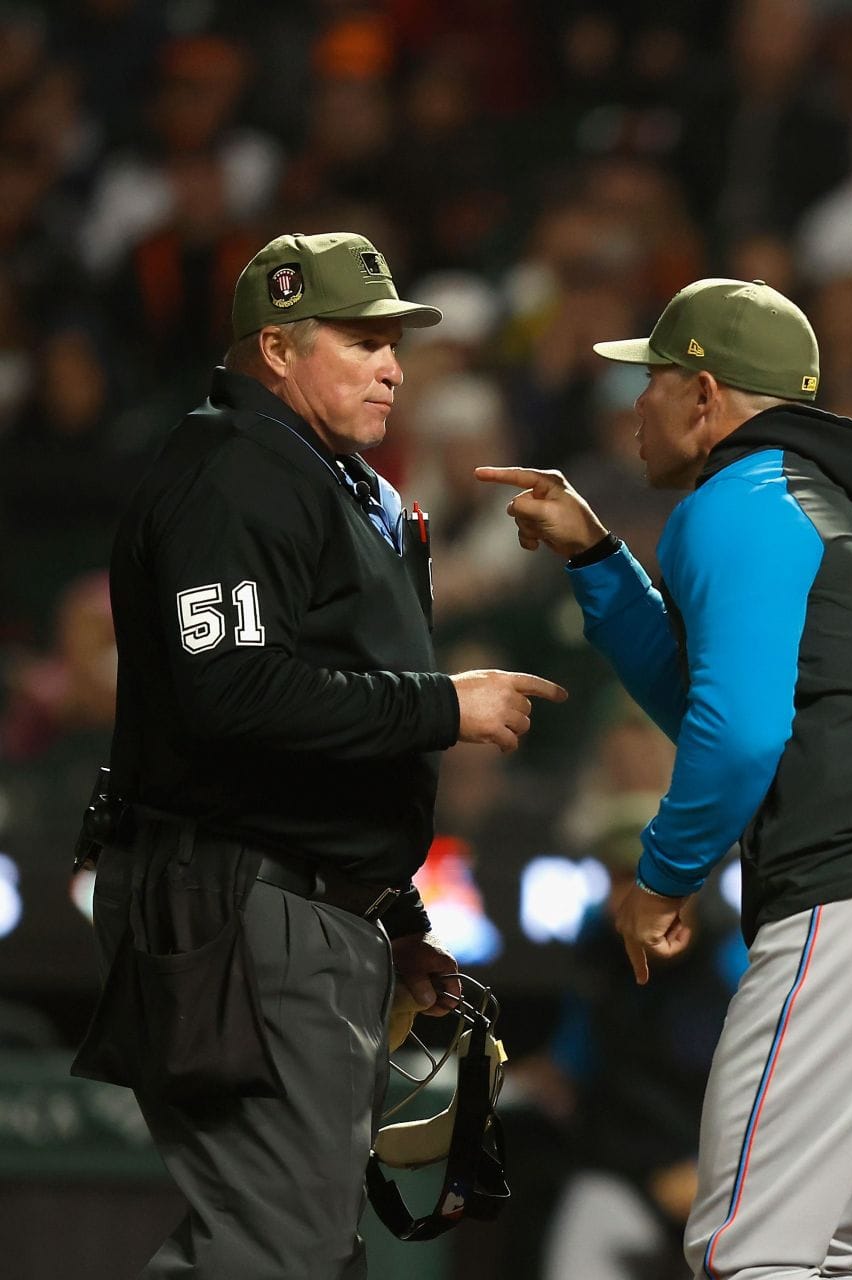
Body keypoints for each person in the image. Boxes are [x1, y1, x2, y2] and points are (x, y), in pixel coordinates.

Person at [475, 276, 852, 1280]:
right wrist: (599, 556)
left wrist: (664, 876)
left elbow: (734, 738)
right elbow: (714, 701)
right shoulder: (833, 499)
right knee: (841, 1253)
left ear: (703, 392)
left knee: (750, 1251)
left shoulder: (736, 498)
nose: (632, 403)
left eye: (650, 380)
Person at [76, 230, 567, 1278]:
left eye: (393, 341)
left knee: (272, 1235)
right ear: (277, 349)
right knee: (284, 1242)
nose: (392, 363)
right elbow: (230, 691)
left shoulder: (325, 478)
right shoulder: (234, 474)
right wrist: (442, 706)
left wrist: (382, 914)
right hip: (238, 897)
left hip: (295, 899)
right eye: (360, 340)